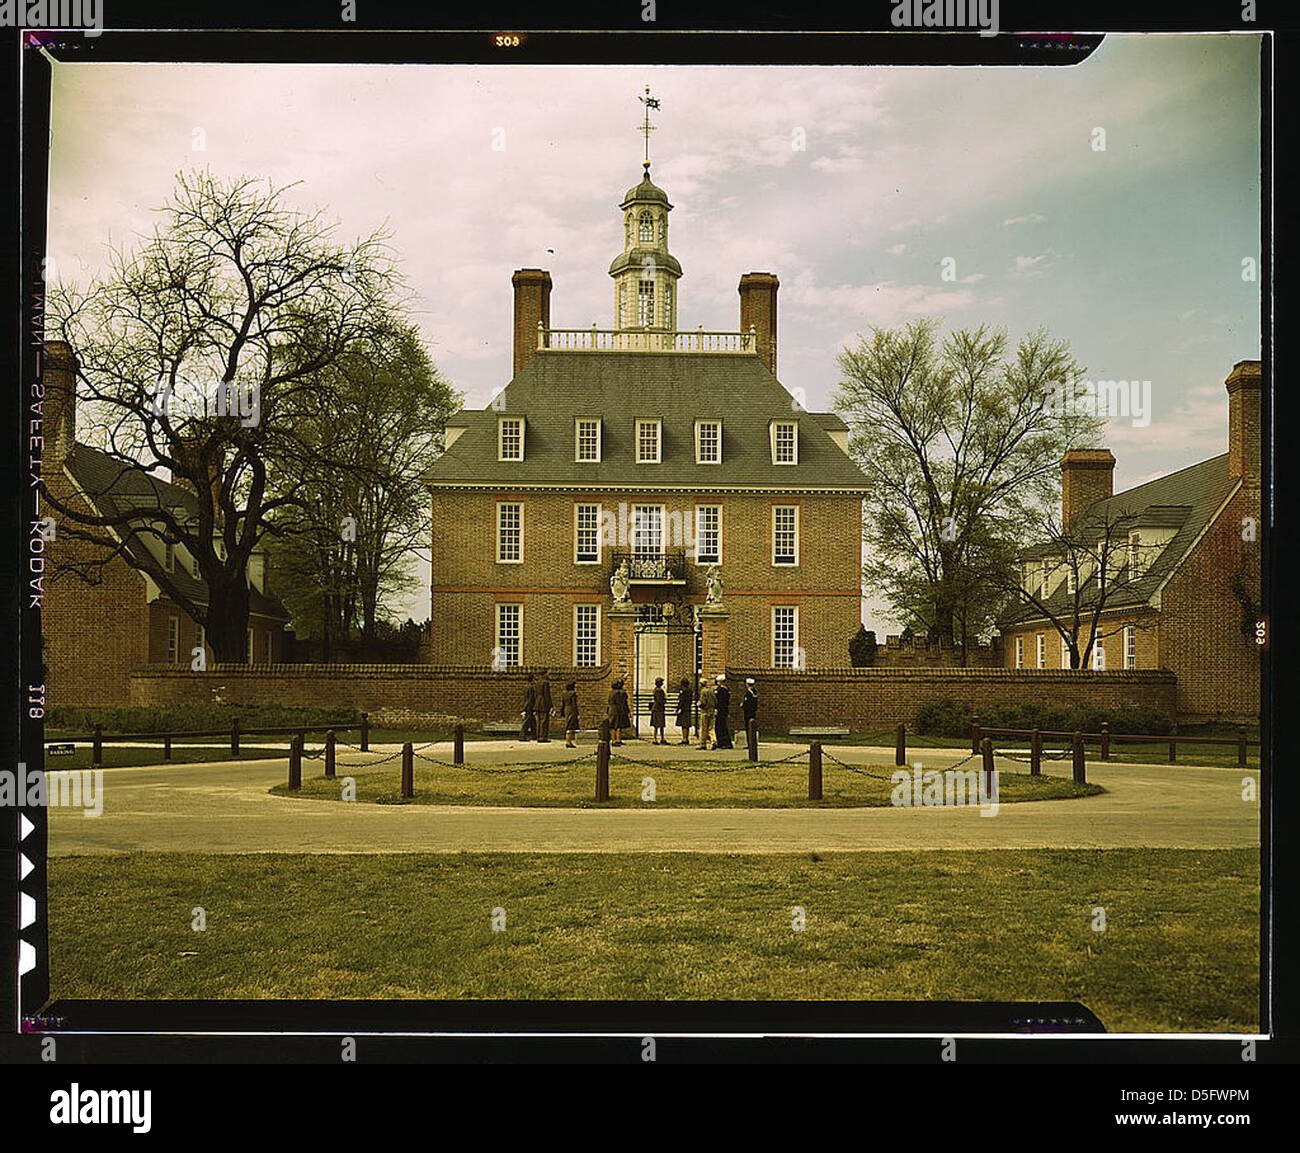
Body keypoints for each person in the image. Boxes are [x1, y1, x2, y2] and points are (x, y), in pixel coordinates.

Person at [608, 677, 631, 745]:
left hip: (612, 709)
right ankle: (617, 739)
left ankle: (613, 739)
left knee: (613, 725)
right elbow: (624, 702)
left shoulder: (611, 692)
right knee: (618, 725)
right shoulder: (621, 693)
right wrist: (628, 711)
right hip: (619, 709)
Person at [713, 673, 733, 749]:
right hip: (723, 711)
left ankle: (724, 742)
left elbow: (720, 702)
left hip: (721, 711)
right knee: (720, 727)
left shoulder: (722, 690)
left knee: (721, 727)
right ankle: (721, 742)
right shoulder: (725, 690)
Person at [560, 681, 580, 748]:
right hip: (571, 709)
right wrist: (577, 712)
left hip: (566, 709)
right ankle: (568, 741)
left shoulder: (564, 694)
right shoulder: (573, 694)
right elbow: (574, 704)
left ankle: (568, 740)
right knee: (570, 725)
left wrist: (562, 711)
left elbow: (562, 703)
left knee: (567, 723)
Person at [697, 678, 715, 750]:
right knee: (711, 728)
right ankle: (713, 741)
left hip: (705, 711)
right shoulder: (711, 691)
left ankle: (703, 744)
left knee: (703, 728)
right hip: (712, 710)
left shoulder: (703, 691)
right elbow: (715, 700)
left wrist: (698, 704)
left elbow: (703, 702)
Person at [536, 670, 553, 742]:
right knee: (544, 721)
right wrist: (550, 705)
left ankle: (538, 736)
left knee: (539, 721)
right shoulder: (545, 683)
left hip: (538, 703)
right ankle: (543, 737)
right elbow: (547, 695)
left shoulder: (537, 683)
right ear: (544, 675)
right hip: (544, 704)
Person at [675, 677, 693, 745]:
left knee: (684, 724)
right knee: (687, 724)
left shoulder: (683, 690)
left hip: (683, 709)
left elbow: (681, 700)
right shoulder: (690, 690)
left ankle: (684, 739)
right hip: (688, 708)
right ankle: (687, 738)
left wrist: (678, 708)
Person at [650, 677, 668, 744]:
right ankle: (657, 738)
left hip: (657, 708)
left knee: (658, 725)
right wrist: (665, 700)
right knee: (659, 724)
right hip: (658, 709)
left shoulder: (656, 690)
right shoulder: (659, 691)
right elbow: (660, 700)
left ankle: (659, 738)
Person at [741, 677, 759, 742]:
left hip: (748, 713)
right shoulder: (754, 692)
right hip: (753, 712)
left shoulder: (748, 693)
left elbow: (747, 704)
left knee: (748, 728)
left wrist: (742, 705)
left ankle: (750, 743)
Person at [520, 674, 537, 741]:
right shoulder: (531, 688)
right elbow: (530, 699)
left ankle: (534, 735)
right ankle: (522, 736)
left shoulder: (527, 687)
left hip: (528, 706)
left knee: (533, 722)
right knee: (527, 722)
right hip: (529, 707)